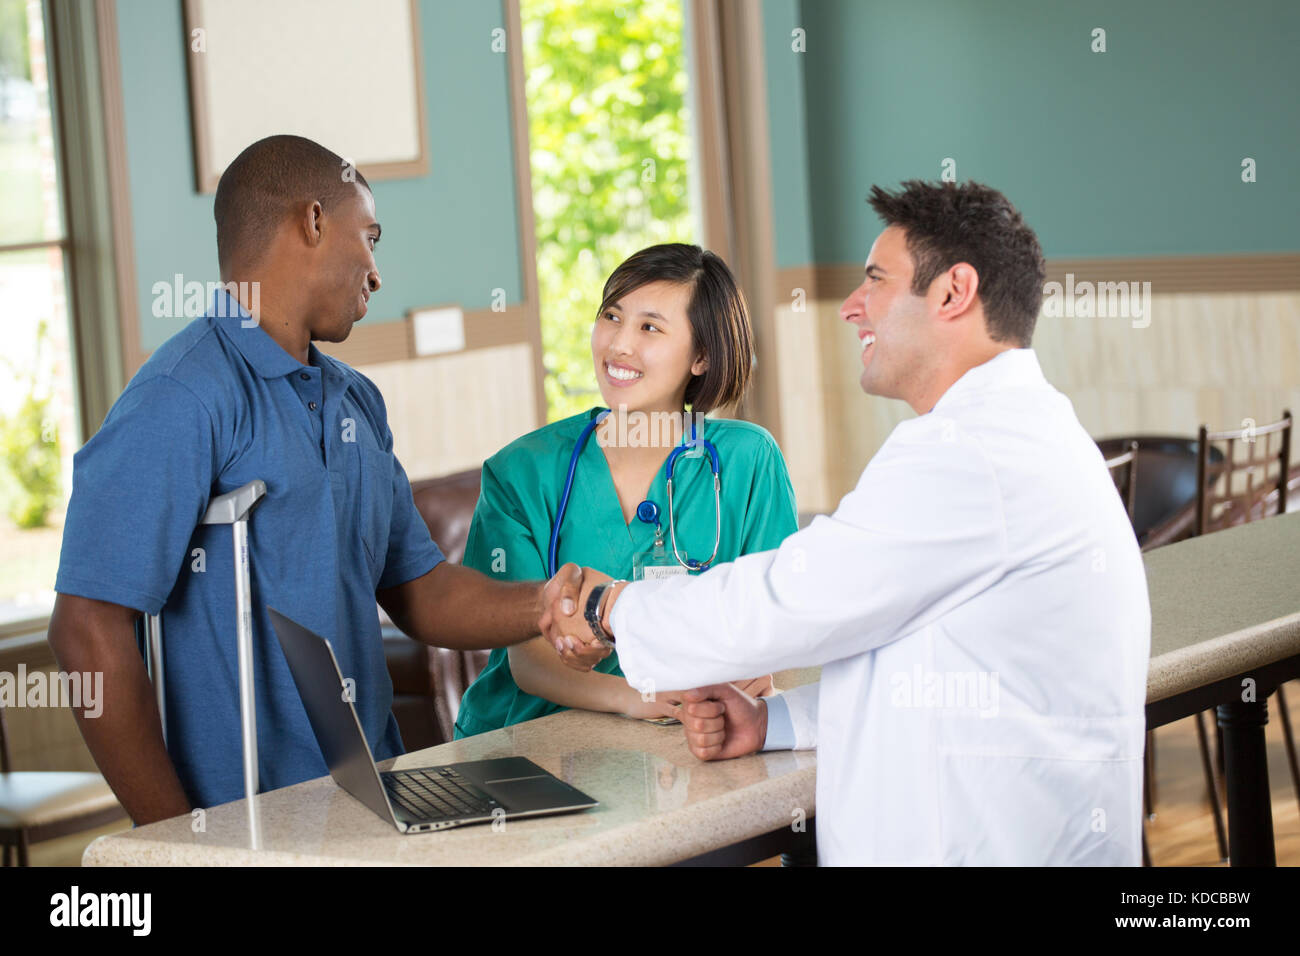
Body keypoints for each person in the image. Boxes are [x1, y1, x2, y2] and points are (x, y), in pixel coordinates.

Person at [539, 181, 1152, 866]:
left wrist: (609, 605)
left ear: (953, 292)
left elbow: (790, 601)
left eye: (875, 281)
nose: (851, 308)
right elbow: (919, 669)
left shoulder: (971, 454)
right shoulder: (1011, 431)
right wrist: (773, 721)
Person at [48, 135, 575, 824]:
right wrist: (175, 842)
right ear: (314, 221)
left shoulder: (355, 400)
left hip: (373, 799)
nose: (377, 273)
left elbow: (421, 591)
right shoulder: (182, 396)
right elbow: (86, 627)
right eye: (371, 237)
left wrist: (553, 603)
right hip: (248, 820)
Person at [454, 244, 798, 737]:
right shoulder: (523, 471)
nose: (619, 345)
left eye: (649, 327)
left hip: (689, 734)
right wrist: (646, 699)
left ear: (701, 356)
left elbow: (775, 616)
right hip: (529, 742)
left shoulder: (747, 461)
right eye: (611, 316)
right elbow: (528, 662)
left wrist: (753, 668)